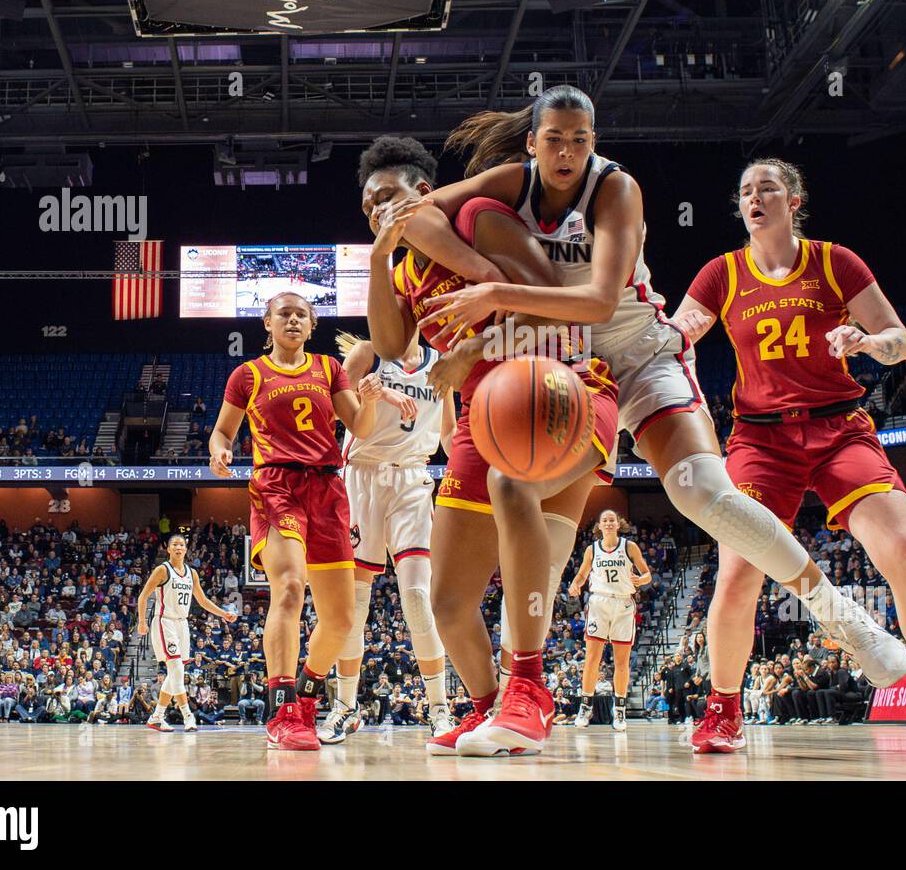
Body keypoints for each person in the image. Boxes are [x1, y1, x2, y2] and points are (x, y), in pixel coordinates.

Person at [395, 88, 906, 755]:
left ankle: (838, 613)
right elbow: (415, 215)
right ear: (532, 142)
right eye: (555, 139)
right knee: (533, 534)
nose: (569, 153)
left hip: (639, 354)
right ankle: (515, 702)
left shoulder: (616, 189)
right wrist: (476, 272)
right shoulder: (507, 186)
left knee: (700, 491)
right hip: (565, 364)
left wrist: (492, 291)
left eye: (582, 139)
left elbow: (602, 298)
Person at [674, 158, 906, 754]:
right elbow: (683, 329)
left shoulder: (835, 262)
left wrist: (867, 341)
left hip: (839, 430)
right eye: (744, 191)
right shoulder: (722, 274)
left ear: (794, 201)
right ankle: (723, 710)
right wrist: (651, 326)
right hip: (760, 439)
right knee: (737, 575)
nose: (754, 198)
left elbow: (901, 342)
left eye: (767, 188)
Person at [358, 135, 619, 758]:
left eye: (387, 198)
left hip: (559, 384)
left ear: (425, 193)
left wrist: (473, 349)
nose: (377, 213)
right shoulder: (403, 266)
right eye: (367, 207)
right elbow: (392, 348)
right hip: (485, 417)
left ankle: (529, 690)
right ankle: (485, 707)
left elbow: (557, 308)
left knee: (512, 483)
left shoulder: (476, 220)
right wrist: (375, 262)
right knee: (446, 601)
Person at [208, 292, 382, 751]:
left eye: (300, 314)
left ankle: (306, 696)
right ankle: (282, 707)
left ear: (312, 324)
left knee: (342, 619)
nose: (292, 319)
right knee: (288, 587)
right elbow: (224, 429)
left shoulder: (329, 369)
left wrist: (370, 400)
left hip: (327, 490)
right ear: (266, 323)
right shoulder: (247, 375)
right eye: (283, 313)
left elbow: (360, 428)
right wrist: (220, 449)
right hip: (276, 486)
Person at [321, 328, 456, 744]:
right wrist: (365, 395)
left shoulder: (441, 364)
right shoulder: (367, 353)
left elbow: (449, 434)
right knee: (355, 604)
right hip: (361, 478)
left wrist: (476, 467)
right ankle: (345, 705)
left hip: (414, 478)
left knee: (417, 598)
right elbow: (332, 409)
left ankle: (439, 709)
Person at [136, 533, 238, 733]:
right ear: (168, 548)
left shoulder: (191, 573)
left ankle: (157, 717)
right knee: (177, 670)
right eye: (174, 544)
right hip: (165, 622)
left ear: (186, 548)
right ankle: (188, 716)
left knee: (174, 672)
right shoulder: (162, 570)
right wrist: (141, 621)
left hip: (182, 625)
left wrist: (223, 614)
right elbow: (143, 596)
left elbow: (202, 600)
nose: (178, 548)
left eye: (181, 544)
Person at [568, 509, 651, 731]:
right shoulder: (592, 549)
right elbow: (582, 574)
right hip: (599, 603)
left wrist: (640, 580)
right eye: (604, 520)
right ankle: (585, 706)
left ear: (618, 524)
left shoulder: (629, 547)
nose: (608, 522)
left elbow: (647, 574)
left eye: (612, 520)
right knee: (592, 658)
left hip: (623, 603)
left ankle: (620, 710)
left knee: (621, 661)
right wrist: (575, 584)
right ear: (600, 526)